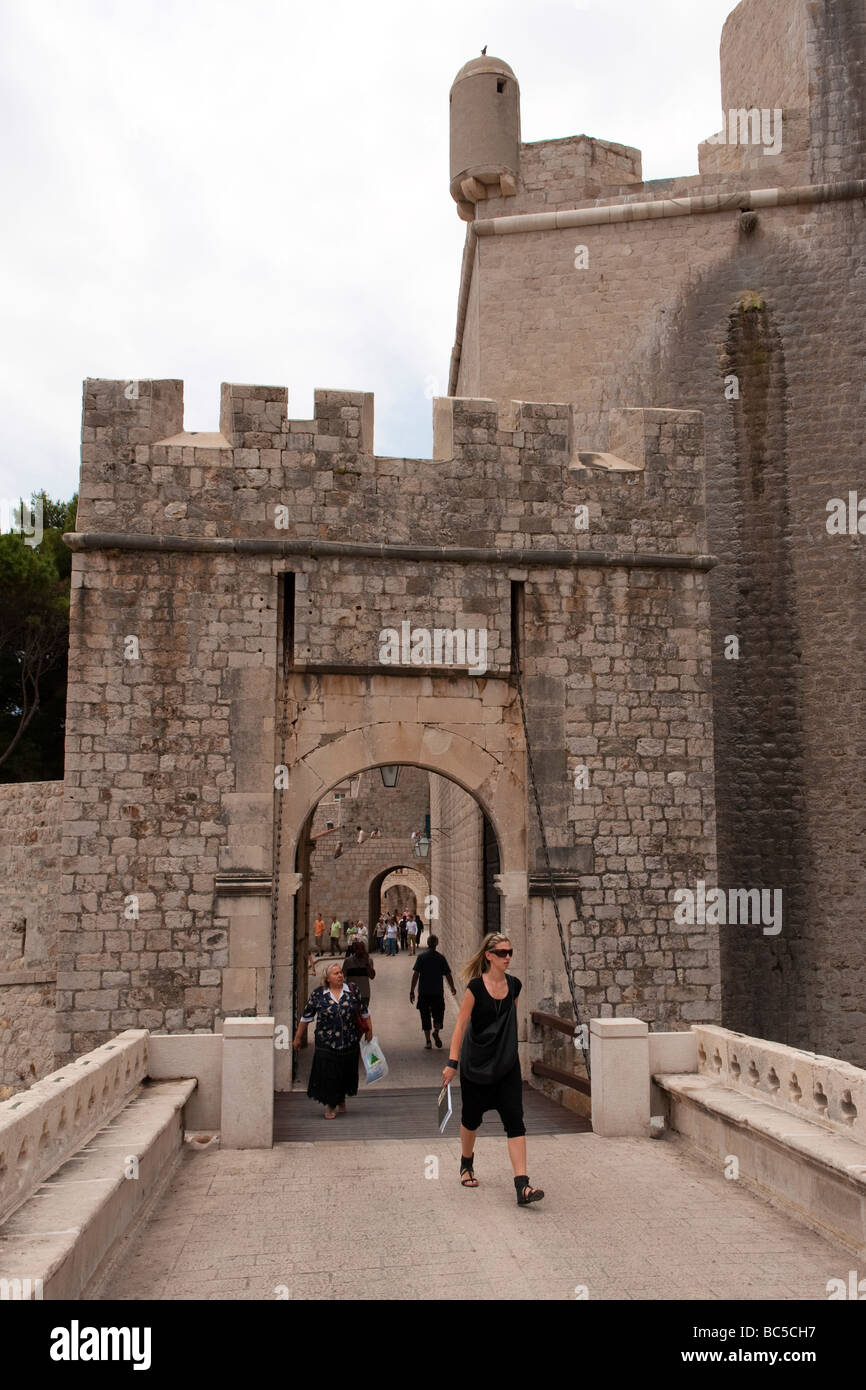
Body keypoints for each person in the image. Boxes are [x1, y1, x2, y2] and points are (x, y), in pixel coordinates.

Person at [441, 933, 544, 1206]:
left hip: (506, 1065)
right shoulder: (474, 988)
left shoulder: (515, 986)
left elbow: (508, 1024)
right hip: (476, 1064)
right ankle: (466, 1163)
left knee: (515, 1121)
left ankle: (522, 1185)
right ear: (489, 956)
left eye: (510, 952)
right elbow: (461, 1026)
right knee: (471, 1118)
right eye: (501, 952)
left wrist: (511, 1054)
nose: (507, 957)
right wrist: (452, 1062)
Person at [293, 962, 372, 1119]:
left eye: (341, 972)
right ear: (327, 978)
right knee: (329, 1074)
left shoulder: (352, 990)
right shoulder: (318, 994)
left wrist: (369, 1030)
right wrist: (297, 1038)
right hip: (326, 1041)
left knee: (345, 1072)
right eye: (336, 973)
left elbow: (364, 1011)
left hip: (349, 1040)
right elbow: (306, 1017)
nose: (340, 975)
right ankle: (330, 1105)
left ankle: (341, 1098)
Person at [409, 934, 456, 1049]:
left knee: (425, 1016)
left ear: (428, 943)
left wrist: (412, 991)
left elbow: (416, 975)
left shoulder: (421, 957)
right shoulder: (441, 958)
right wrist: (452, 987)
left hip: (424, 992)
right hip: (437, 992)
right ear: (437, 944)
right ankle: (436, 1031)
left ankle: (428, 1041)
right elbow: (448, 974)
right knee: (438, 1014)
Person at [343, 938, 375, 1005]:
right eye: (358, 948)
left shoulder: (369, 961)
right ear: (354, 949)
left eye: (362, 949)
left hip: (364, 994)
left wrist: (367, 963)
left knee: (364, 1014)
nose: (360, 951)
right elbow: (342, 977)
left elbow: (372, 976)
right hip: (351, 994)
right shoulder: (348, 961)